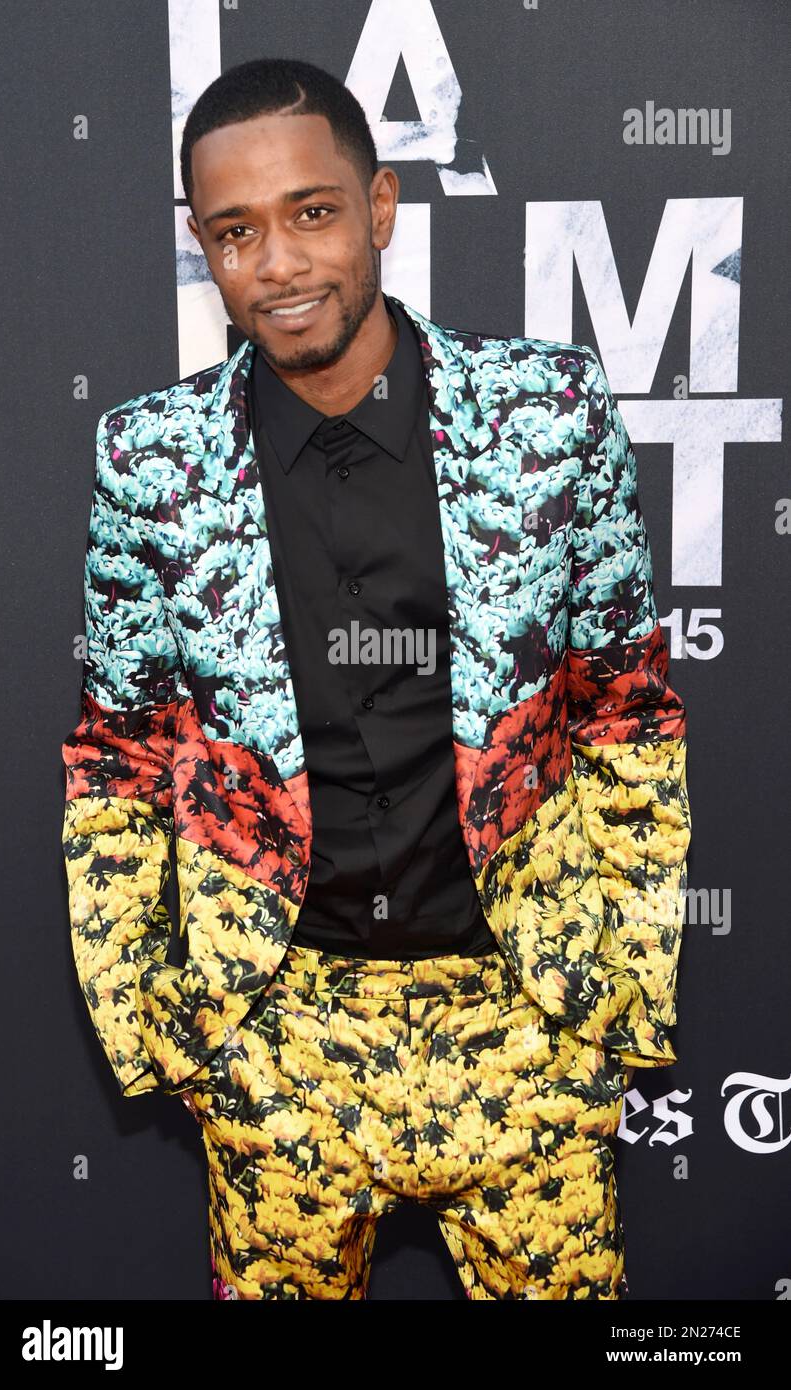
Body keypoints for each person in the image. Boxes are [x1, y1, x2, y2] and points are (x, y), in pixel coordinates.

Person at [61, 57, 691, 1301]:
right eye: (236, 232)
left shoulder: (551, 410)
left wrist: (610, 994)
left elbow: (628, 709)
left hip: (523, 1027)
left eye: (312, 213)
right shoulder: (149, 458)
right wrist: (169, 1032)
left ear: (382, 207)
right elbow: (117, 754)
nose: (280, 265)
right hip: (276, 1035)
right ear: (203, 248)